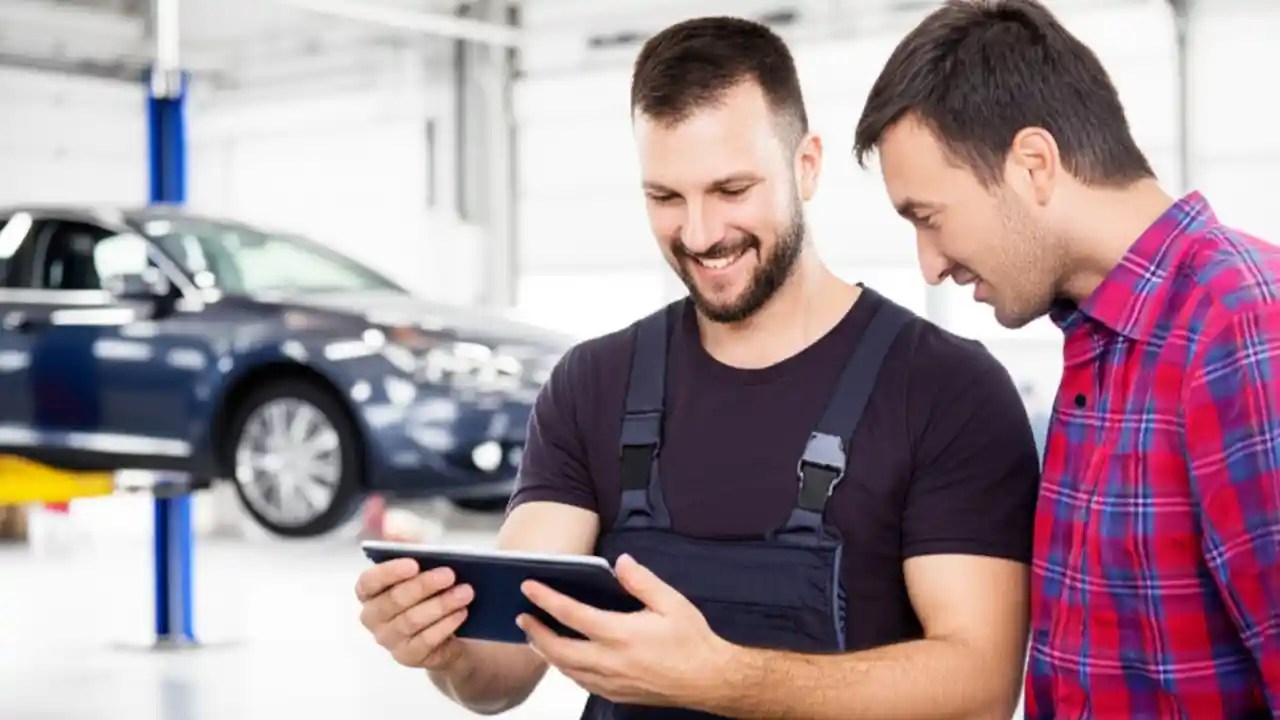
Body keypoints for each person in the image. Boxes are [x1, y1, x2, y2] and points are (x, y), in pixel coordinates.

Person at [355, 15, 1041, 719]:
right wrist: (446, 646)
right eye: (666, 198)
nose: (701, 233)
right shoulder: (592, 385)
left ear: (806, 166)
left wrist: (724, 679)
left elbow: (978, 687)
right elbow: (502, 674)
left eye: (731, 190)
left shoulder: (946, 390)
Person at [851, 0, 1280, 717]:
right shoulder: (1101, 344)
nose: (930, 265)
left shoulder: (1242, 327)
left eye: (929, 217)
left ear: (1033, 165)